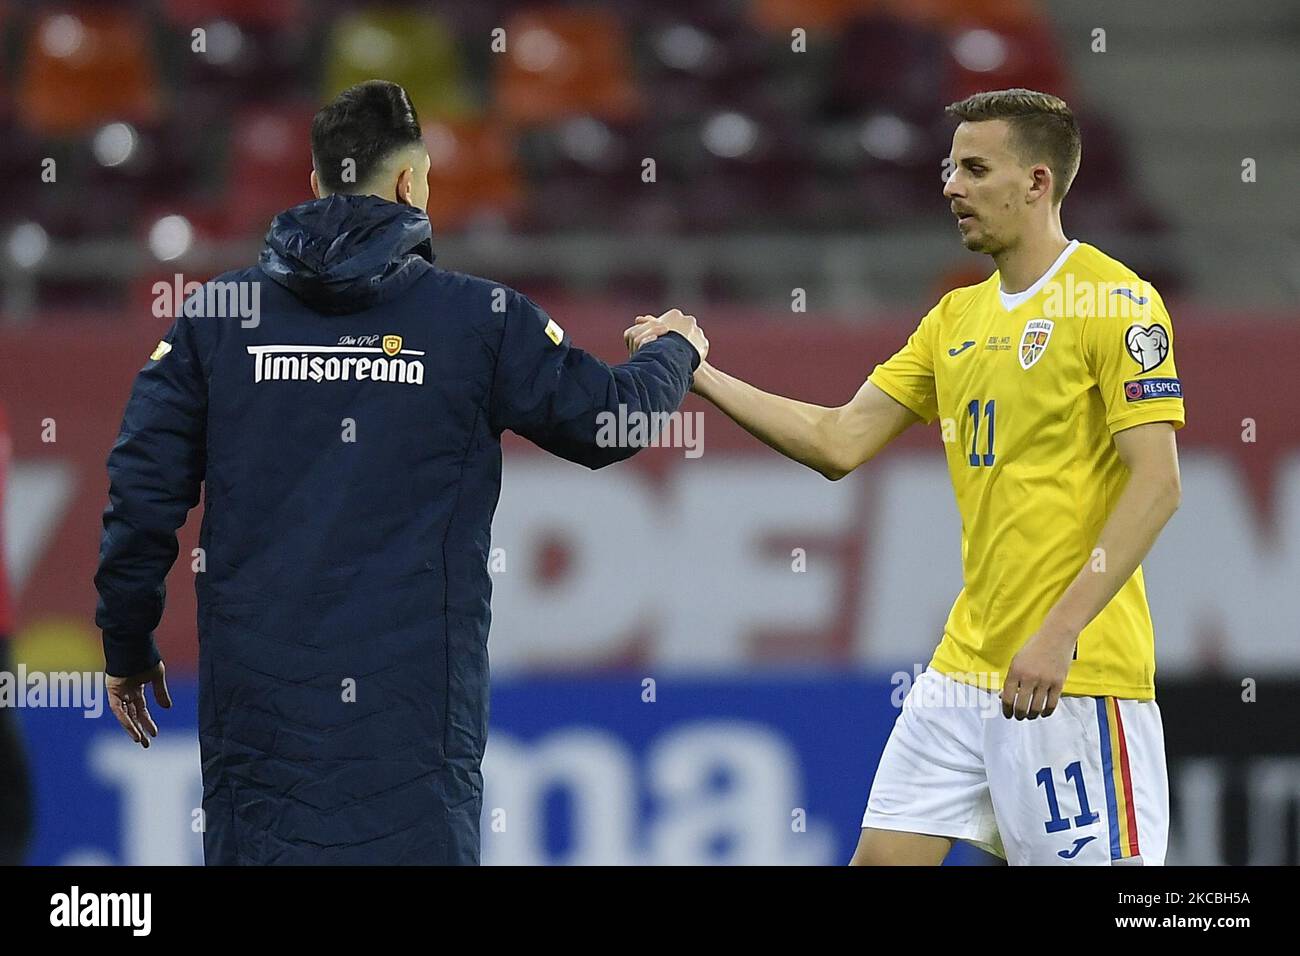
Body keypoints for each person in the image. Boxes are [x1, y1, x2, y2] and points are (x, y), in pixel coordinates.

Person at [94, 80, 707, 865]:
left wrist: (127, 642)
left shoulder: (216, 318)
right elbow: (611, 422)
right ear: (412, 184)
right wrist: (675, 351)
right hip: (414, 728)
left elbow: (141, 492)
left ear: (314, 186)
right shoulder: (479, 320)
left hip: (260, 724)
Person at [628, 88, 1183, 866]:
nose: (951, 185)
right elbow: (838, 439)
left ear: (1037, 182)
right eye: (949, 167)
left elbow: (1157, 483)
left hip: (1076, 679)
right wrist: (703, 374)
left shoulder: (1116, 303)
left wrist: (1060, 633)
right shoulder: (954, 319)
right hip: (964, 671)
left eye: (975, 168)